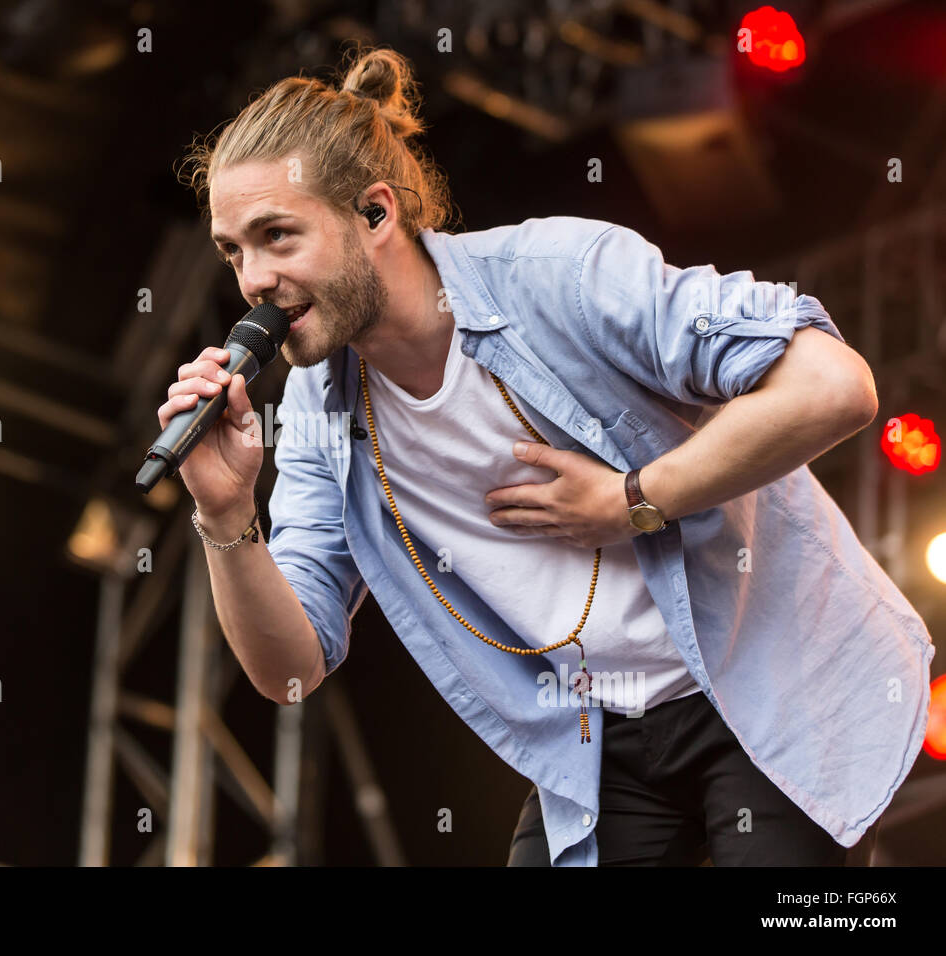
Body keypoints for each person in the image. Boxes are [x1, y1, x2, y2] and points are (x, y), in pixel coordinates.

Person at [160, 45, 934, 866]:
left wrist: (631, 498)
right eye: (233, 251)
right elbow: (290, 670)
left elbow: (835, 386)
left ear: (377, 214)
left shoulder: (559, 274)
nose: (252, 278)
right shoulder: (319, 407)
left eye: (276, 236)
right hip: (602, 734)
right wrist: (225, 514)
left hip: (772, 675)